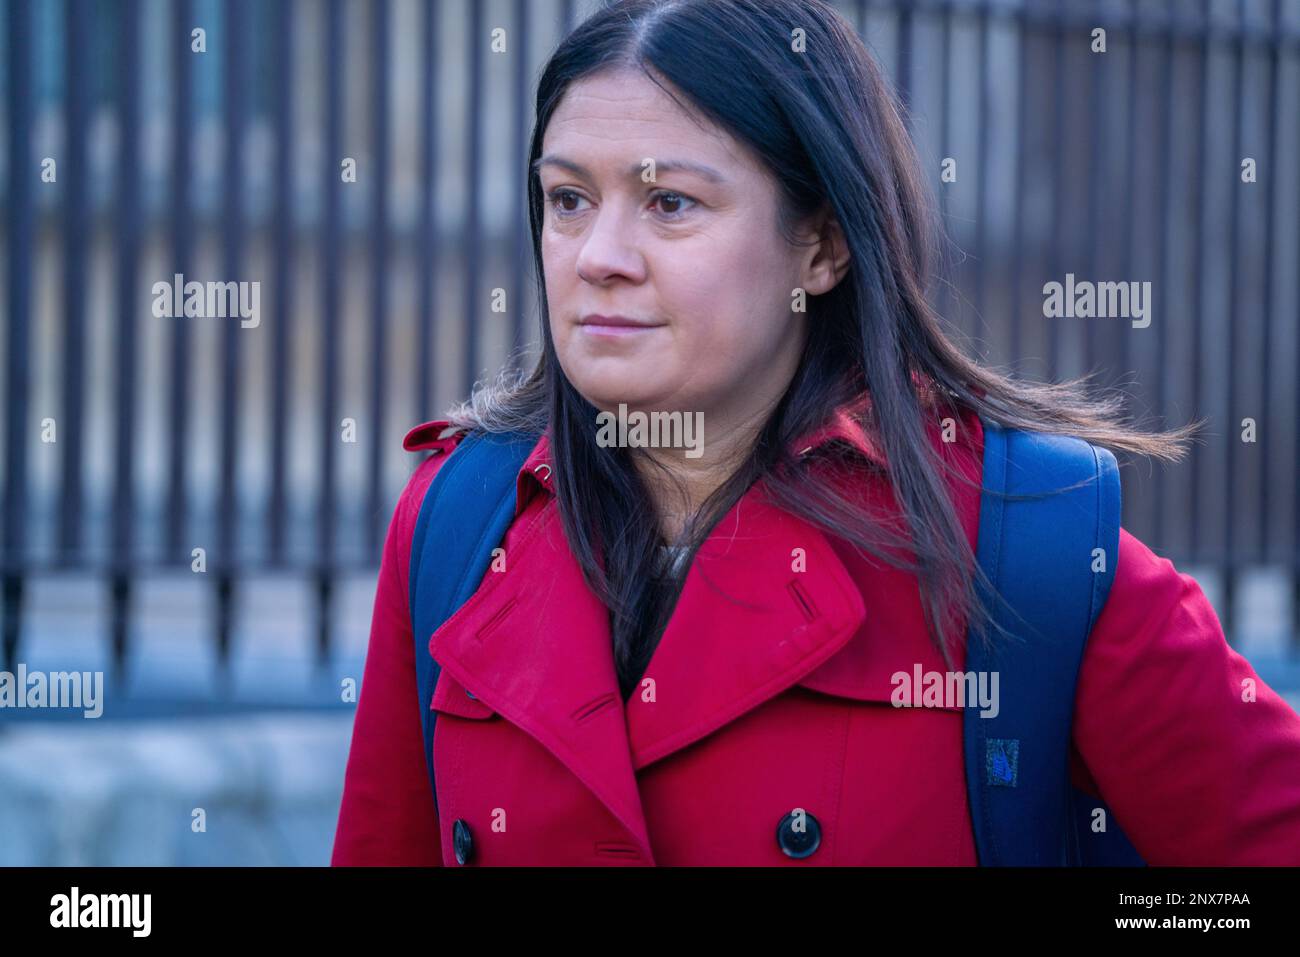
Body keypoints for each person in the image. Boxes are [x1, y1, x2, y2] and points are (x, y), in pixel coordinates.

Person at [331, 0, 1300, 866]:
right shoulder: (458, 524)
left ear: (823, 245)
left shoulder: (1020, 546)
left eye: (670, 204)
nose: (597, 257)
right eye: (567, 199)